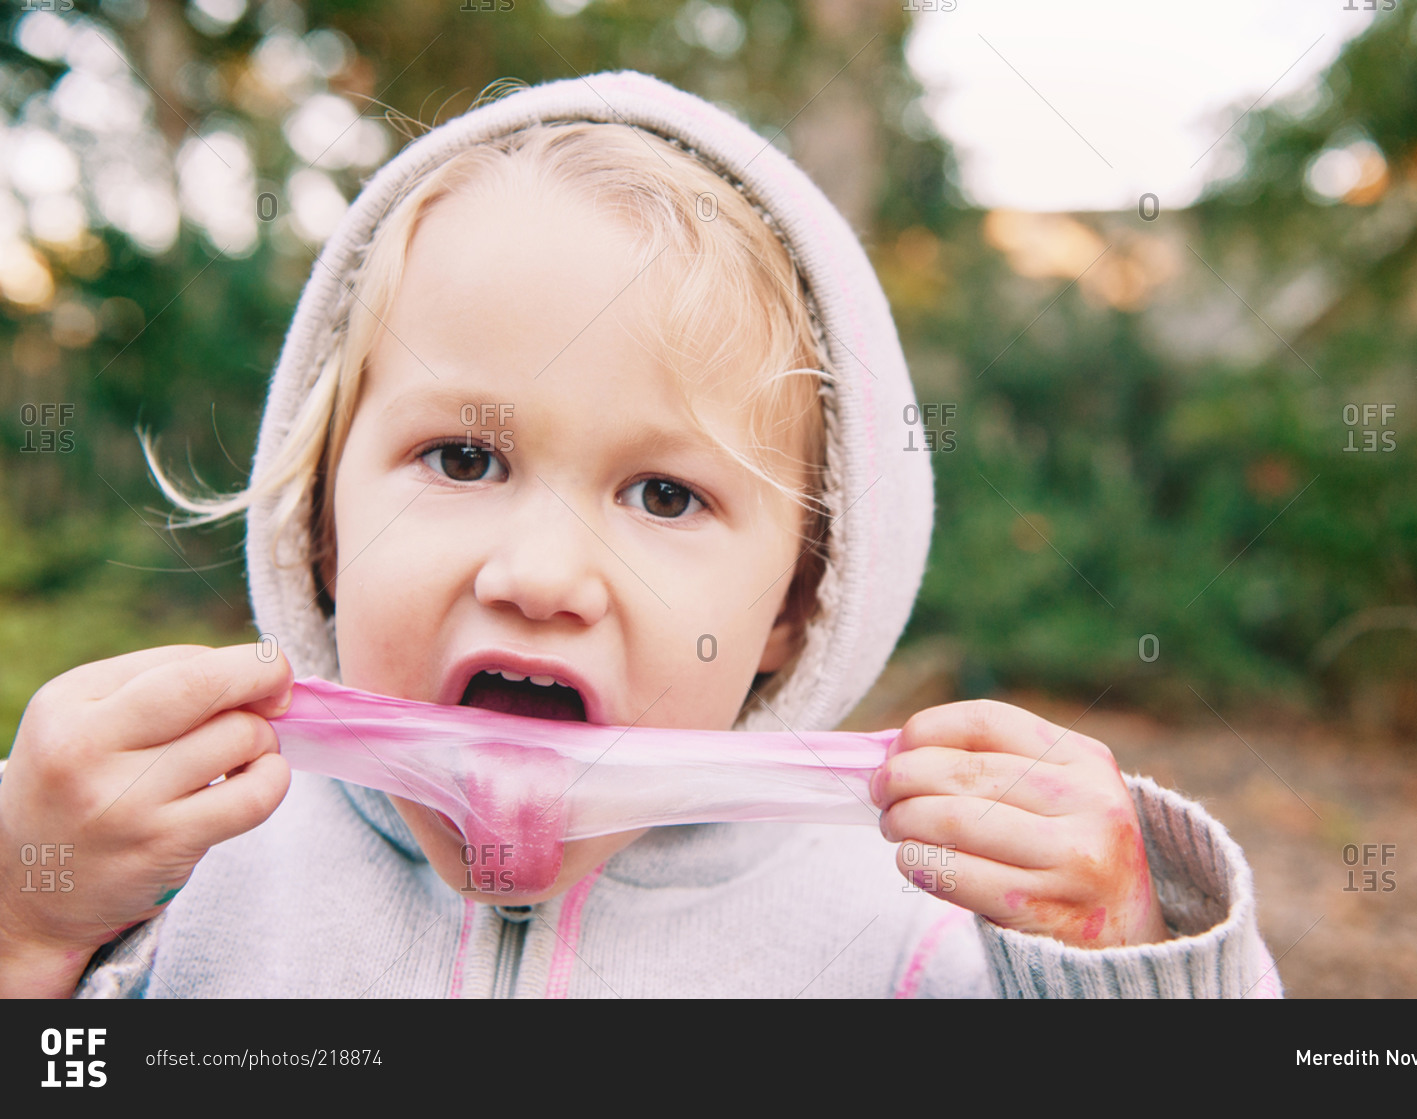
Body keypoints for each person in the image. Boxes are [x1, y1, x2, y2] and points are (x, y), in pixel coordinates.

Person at [0, 71, 1281, 998]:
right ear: (323, 522)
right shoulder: (173, 882)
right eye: (463, 457)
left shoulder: (920, 941)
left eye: (667, 496)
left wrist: (1126, 963)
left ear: (797, 603)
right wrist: (27, 920)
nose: (543, 577)